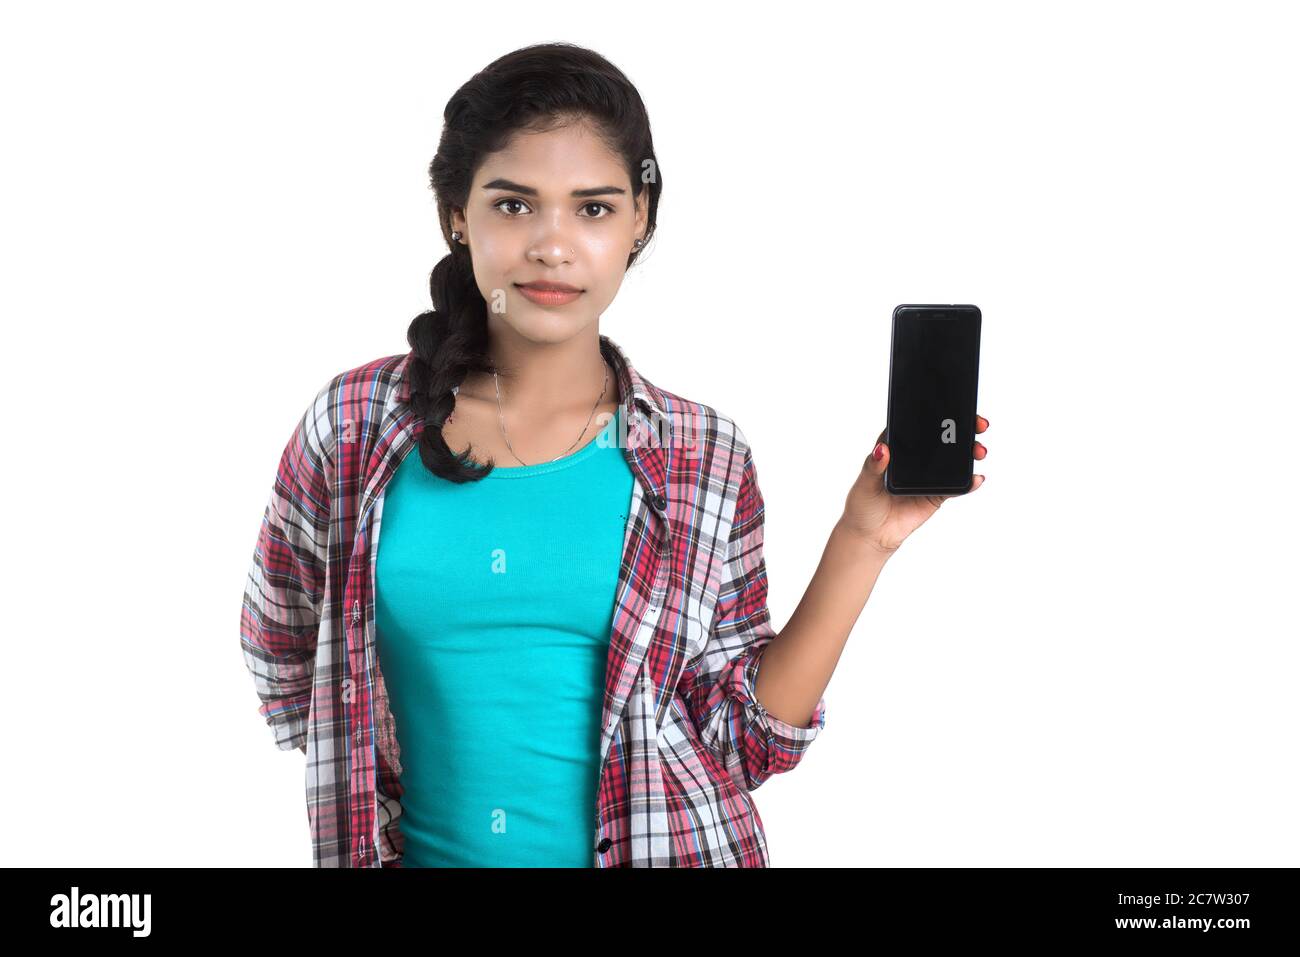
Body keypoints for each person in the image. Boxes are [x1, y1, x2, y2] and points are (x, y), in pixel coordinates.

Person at [239, 41, 989, 868]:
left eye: (592, 208)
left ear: (640, 219)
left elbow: (744, 740)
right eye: (514, 205)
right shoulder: (351, 428)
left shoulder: (704, 455)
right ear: (457, 213)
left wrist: (864, 539)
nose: (553, 246)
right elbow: (287, 668)